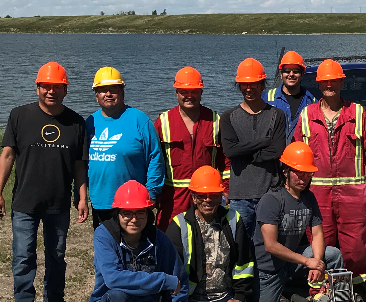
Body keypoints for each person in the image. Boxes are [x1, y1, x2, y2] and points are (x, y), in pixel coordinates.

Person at [0, 62, 89, 302]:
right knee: (24, 256)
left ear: (65, 90)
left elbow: (80, 165)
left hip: (58, 203)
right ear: (37, 87)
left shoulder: (75, 122)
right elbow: (8, 155)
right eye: (46, 86)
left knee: (57, 256)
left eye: (57, 87)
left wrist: (82, 197)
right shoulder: (20, 116)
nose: (51, 91)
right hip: (25, 202)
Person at [294, 59, 366, 285]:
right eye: (325, 82)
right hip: (317, 194)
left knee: (354, 246)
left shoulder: (357, 113)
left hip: (354, 194)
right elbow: (297, 154)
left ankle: (354, 290)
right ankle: (321, 292)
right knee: (321, 246)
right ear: (319, 85)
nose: (329, 86)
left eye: (334, 81)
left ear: (341, 83)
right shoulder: (307, 116)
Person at [252, 142, 343, 302]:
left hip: (292, 263)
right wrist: (307, 261)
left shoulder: (308, 198)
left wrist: (317, 263)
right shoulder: (271, 200)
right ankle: (277, 291)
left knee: (333, 255)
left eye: (307, 173)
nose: (303, 178)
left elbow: (318, 233)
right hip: (269, 269)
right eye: (298, 172)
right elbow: (271, 245)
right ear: (285, 171)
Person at [166, 165, 261, 302]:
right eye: (202, 195)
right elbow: (169, 273)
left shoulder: (234, 220)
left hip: (225, 299)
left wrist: (240, 296)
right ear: (193, 196)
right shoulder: (179, 226)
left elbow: (244, 262)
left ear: (221, 196)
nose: (207, 200)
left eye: (213, 195)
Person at [86, 67, 165, 226]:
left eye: (113, 89)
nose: (108, 94)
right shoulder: (90, 123)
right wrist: (80, 195)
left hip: (134, 201)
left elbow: (155, 158)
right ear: (96, 96)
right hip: (101, 201)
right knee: (107, 247)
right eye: (102, 90)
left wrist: (151, 192)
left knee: (137, 247)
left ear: (122, 92)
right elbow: (81, 162)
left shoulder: (139, 120)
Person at [220, 58, 287, 241]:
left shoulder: (276, 115)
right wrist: (263, 141)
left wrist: (245, 153)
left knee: (271, 246)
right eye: (244, 85)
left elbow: (277, 151)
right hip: (240, 196)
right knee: (241, 248)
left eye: (254, 84)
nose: (249, 89)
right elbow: (231, 151)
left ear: (262, 84)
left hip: (270, 193)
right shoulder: (228, 117)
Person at [154, 66, 226, 231]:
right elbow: (153, 160)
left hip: (206, 196)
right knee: (171, 239)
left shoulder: (215, 120)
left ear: (201, 92)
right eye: (184, 91)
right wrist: (155, 192)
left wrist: (226, 188)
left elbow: (225, 160)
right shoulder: (163, 121)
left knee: (206, 238)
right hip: (173, 197)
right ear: (176, 93)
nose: (189, 96)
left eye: (194, 91)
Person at [266, 50, 316, 142]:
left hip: (302, 155)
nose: (291, 74)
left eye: (296, 71)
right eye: (287, 71)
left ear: (302, 75)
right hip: (275, 155)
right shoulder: (267, 99)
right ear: (281, 75)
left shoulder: (312, 102)